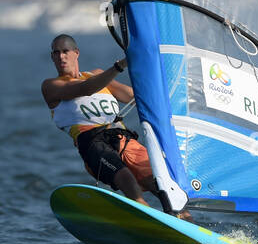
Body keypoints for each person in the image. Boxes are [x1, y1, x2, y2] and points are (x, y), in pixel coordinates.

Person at [42, 33, 175, 212]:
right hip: (92, 143)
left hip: (122, 137)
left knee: (161, 181)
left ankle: (186, 221)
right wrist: (120, 66)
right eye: (56, 53)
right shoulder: (51, 86)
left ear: (76, 53)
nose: (61, 56)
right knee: (126, 178)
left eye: (65, 51)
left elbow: (136, 97)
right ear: (52, 57)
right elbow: (86, 88)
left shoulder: (96, 75)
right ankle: (147, 215)